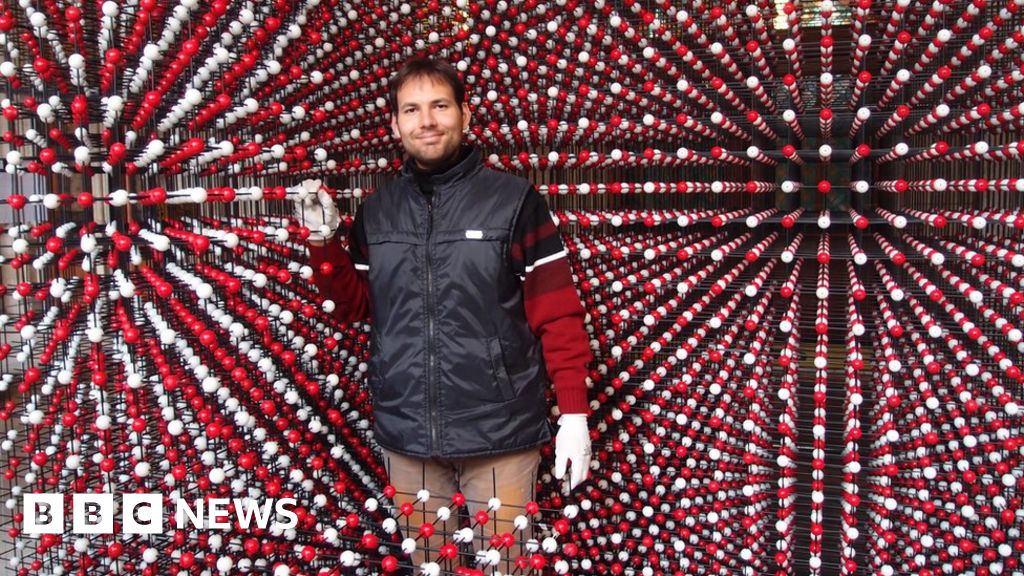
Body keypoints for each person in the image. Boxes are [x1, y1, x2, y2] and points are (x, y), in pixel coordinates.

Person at [292, 57, 592, 571]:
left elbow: (557, 312)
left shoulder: (514, 202)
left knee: (506, 567)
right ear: (396, 124)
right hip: (408, 436)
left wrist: (574, 413)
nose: (426, 121)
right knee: (430, 566)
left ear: (465, 115)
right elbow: (358, 305)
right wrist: (323, 244)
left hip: (500, 433)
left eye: (439, 106)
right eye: (412, 109)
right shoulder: (378, 209)